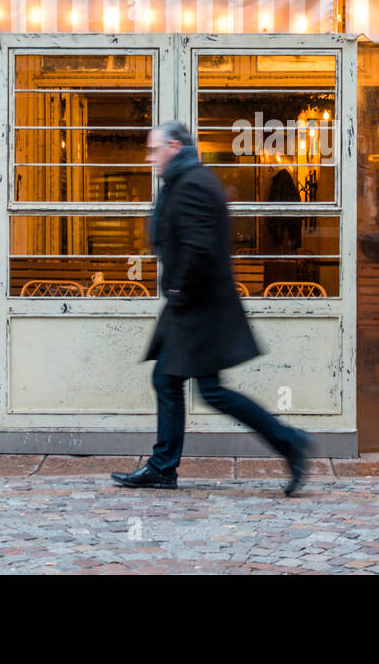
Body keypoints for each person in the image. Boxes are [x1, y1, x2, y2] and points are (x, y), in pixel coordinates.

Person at [111, 121, 315, 496]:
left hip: (198, 307)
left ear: (173, 145)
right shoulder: (184, 180)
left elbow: (200, 248)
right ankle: (163, 467)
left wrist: (178, 290)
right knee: (171, 381)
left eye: (154, 149)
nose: (148, 156)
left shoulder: (192, 185)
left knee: (207, 390)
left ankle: (290, 441)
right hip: (193, 304)